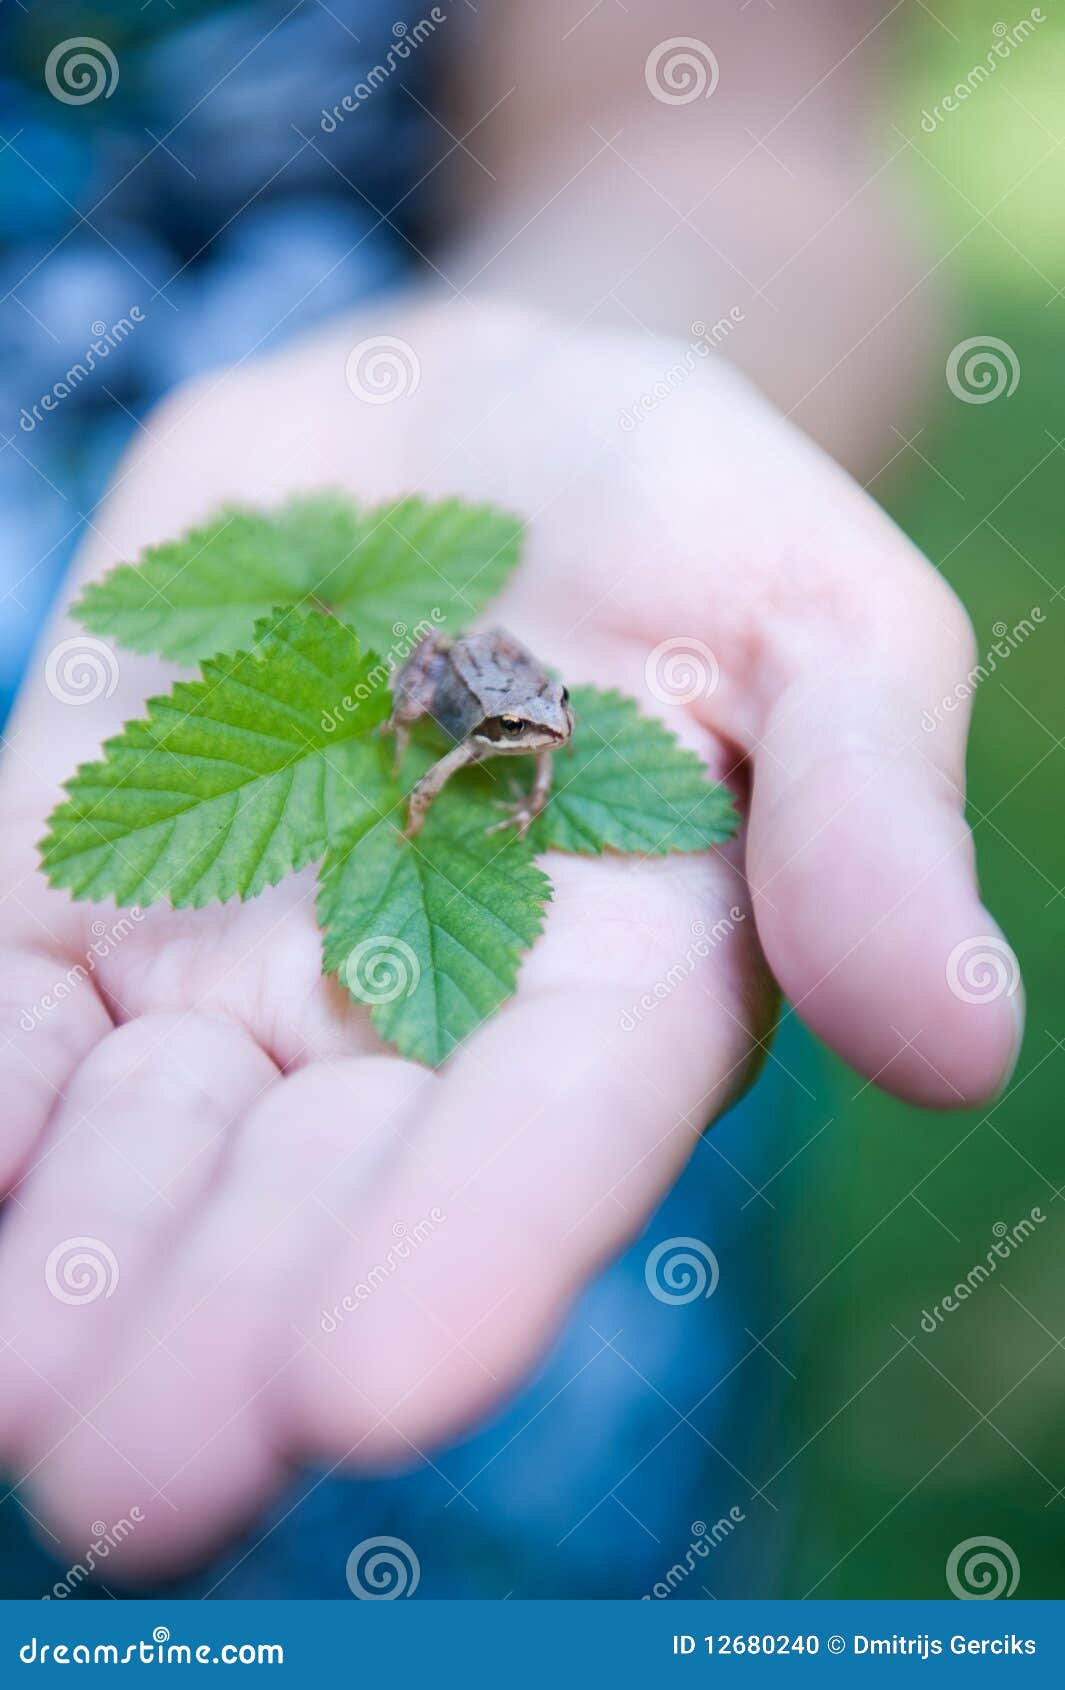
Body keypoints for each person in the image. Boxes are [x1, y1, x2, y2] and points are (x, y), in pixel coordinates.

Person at [0, 0, 1020, 1593]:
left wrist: (610, 350)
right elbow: (428, 710)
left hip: (436, 619)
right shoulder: (415, 691)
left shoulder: (512, 699)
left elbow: (730, 117)